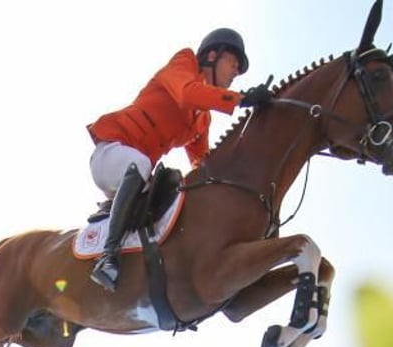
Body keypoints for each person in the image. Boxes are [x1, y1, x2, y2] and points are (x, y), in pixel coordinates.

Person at [86, 28, 274, 291]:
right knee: (141, 164)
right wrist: (242, 100)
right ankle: (108, 257)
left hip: (135, 175)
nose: (235, 73)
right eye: (233, 64)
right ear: (212, 55)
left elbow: (203, 163)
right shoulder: (184, 63)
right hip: (111, 153)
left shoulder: (202, 118)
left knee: (174, 194)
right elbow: (188, 93)